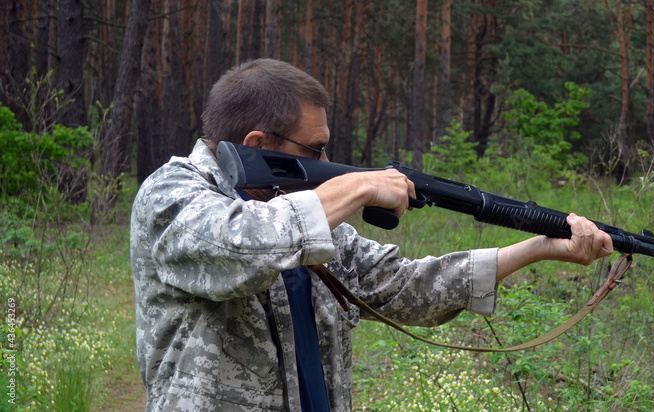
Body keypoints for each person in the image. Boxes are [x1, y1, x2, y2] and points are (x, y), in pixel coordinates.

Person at [130, 58, 613, 412]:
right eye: (315, 149)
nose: (322, 163)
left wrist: (539, 248)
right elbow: (238, 246)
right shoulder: (171, 193)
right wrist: (357, 184)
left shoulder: (299, 211)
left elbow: (402, 286)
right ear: (257, 145)